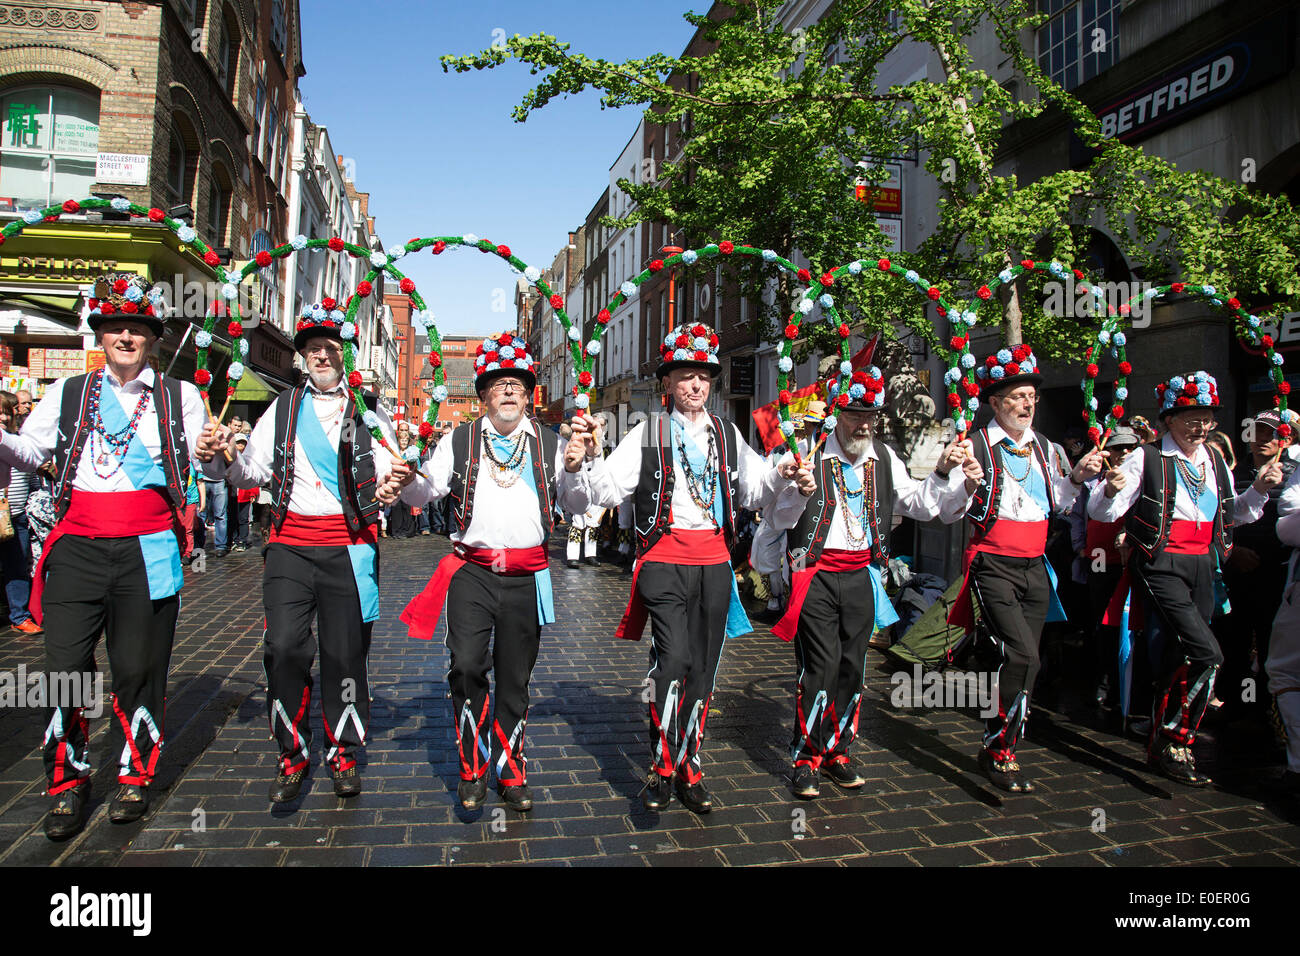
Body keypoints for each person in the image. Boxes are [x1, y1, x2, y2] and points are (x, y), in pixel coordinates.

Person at [561, 321, 807, 814]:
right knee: (672, 662)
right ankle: (661, 764)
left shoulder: (726, 433)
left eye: (704, 377)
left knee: (702, 670)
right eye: (686, 376)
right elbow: (606, 492)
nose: (697, 386)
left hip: (715, 563)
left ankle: (688, 762)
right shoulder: (646, 431)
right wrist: (583, 461)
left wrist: (784, 475)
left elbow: (757, 492)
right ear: (667, 384)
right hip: (665, 561)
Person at [0, 272, 204, 839]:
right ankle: (66, 782)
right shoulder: (66, 393)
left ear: (152, 338)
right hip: (77, 549)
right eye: (114, 326)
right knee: (63, 669)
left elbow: (192, 463)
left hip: (147, 547)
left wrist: (213, 454)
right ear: (100, 334)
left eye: (136, 328)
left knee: (139, 670)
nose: (125, 336)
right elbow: (31, 450)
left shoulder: (179, 397)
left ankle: (134, 775)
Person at [197, 303, 398, 803]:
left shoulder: (368, 413)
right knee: (283, 648)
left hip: (349, 548)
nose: (322, 355)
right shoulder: (282, 409)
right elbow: (250, 475)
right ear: (302, 357)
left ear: (344, 353)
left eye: (330, 347)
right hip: (289, 545)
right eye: (312, 349)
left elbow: (401, 475)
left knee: (345, 656)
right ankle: (291, 753)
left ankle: (344, 751)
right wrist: (226, 456)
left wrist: (397, 486)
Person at [769, 367, 979, 798]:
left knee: (852, 667)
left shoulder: (884, 457)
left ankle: (838, 750)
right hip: (817, 575)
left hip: (864, 575)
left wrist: (941, 472)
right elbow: (774, 518)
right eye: (854, 415)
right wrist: (794, 489)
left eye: (871, 415)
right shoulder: (805, 454)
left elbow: (921, 506)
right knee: (819, 667)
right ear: (835, 414)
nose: (863, 424)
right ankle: (806, 756)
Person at [381, 332, 562, 813]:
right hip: (471, 573)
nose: (508, 391)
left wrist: (582, 466)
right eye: (498, 384)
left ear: (528, 395)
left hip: (526, 576)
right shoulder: (458, 441)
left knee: (516, 677)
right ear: (483, 394)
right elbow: (426, 495)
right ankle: (472, 764)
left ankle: (510, 764)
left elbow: (584, 502)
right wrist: (408, 481)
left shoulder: (549, 443)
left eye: (517, 385)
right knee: (465, 666)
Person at [1088, 372, 1281, 786]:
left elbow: (1236, 514)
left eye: (1207, 418)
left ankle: (1163, 743)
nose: (1200, 426)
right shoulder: (1147, 457)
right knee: (1207, 653)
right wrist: (1108, 490)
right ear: (1169, 418)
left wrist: (1261, 489)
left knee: (1179, 655)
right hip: (1160, 563)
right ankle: (1178, 739)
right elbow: (1103, 513)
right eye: (1191, 417)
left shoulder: (1213, 460)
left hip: (1205, 565)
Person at [948, 344, 1105, 793]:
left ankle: (1003, 749)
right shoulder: (973, 445)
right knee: (1022, 654)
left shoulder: (1046, 448)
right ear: (995, 403)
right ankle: (997, 745)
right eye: (1016, 397)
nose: (1027, 403)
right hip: (993, 562)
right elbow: (947, 510)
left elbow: (1062, 504)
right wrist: (962, 481)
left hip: (1036, 564)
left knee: (1028, 661)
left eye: (1031, 396)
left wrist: (1076, 479)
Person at [1221, 411, 1299, 723]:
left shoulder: (1295, 475)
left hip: (1278, 576)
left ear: (1287, 438)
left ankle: (1272, 710)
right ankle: (1239, 706)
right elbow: (1222, 518)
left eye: (1271, 434)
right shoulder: (1233, 472)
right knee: (1235, 643)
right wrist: (1233, 551)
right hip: (1238, 574)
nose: (1262, 439)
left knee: (1271, 646)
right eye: (1256, 432)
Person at [0, 391, 40, 634]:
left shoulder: (19, 441)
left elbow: (31, 474)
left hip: (16, 514)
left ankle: (20, 615)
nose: (4, 416)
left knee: (17, 565)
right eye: (0, 411)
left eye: (8, 410)